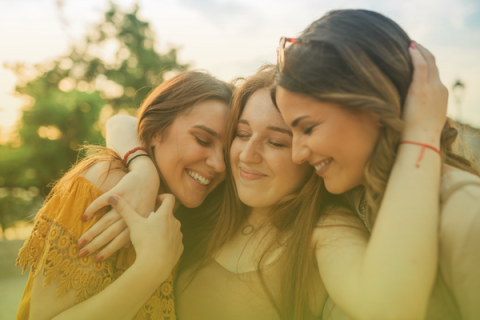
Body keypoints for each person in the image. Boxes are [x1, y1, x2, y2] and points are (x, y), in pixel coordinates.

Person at [85, 9, 479, 320]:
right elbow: (124, 122)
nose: (247, 154)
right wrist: (143, 168)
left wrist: (419, 132)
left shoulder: (324, 228)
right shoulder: (210, 202)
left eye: (278, 140)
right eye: (238, 134)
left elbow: (390, 305)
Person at [274, 9, 480, 320]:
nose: (297, 154)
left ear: (373, 104)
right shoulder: (349, 204)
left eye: (309, 128)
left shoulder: (466, 216)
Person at [15, 71, 233, 320]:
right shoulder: (105, 185)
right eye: (202, 140)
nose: (219, 164)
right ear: (155, 132)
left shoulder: (192, 211)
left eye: (227, 152)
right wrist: (152, 267)